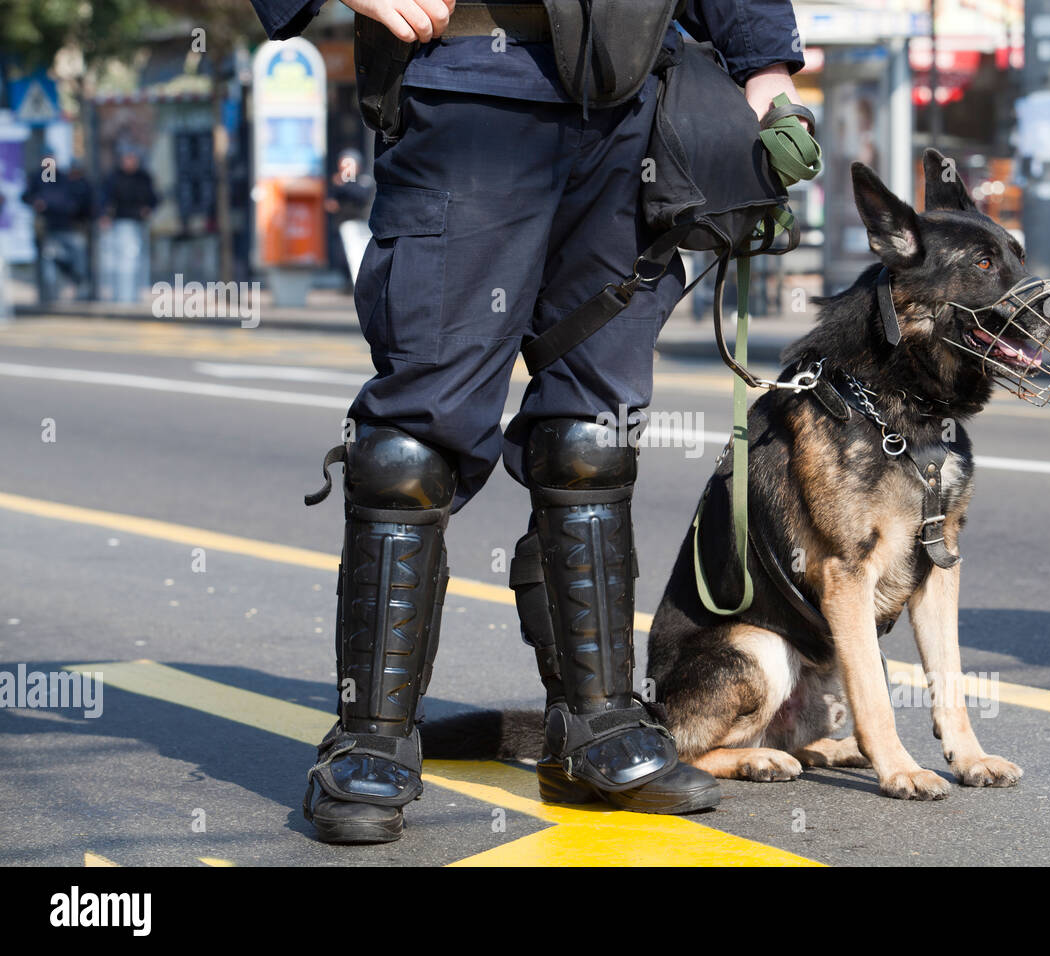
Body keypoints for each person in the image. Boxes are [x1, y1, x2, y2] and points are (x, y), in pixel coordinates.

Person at [251, 0, 807, 844]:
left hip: (630, 108)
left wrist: (764, 64)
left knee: (591, 438)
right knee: (409, 449)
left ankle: (597, 726)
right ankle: (371, 735)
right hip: (469, 90)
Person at [22, 155, 95, 303]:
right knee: (51, 261)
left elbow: (76, 203)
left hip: (71, 227)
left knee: (76, 261)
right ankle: (51, 295)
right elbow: (25, 196)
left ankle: (79, 288)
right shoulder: (37, 178)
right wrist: (36, 202)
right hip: (49, 229)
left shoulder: (63, 178)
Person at [99, 149, 157, 303]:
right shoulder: (114, 177)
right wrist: (105, 215)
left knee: (136, 261)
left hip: (139, 223)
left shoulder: (143, 177)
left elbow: (153, 198)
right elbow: (105, 198)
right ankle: (122, 296)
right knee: (122, 261)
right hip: (120, 223)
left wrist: (148, 209)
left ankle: (133, 295)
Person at [323, 148, 374, 288]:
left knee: (358, 256)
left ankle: (360, 285)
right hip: (342, 224)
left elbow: (362, 195)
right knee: (342, 257)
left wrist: (345, 184)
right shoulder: (338, 181)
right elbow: (330, 202)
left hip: (361, 224)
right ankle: (348, 283)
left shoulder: (363, 179)